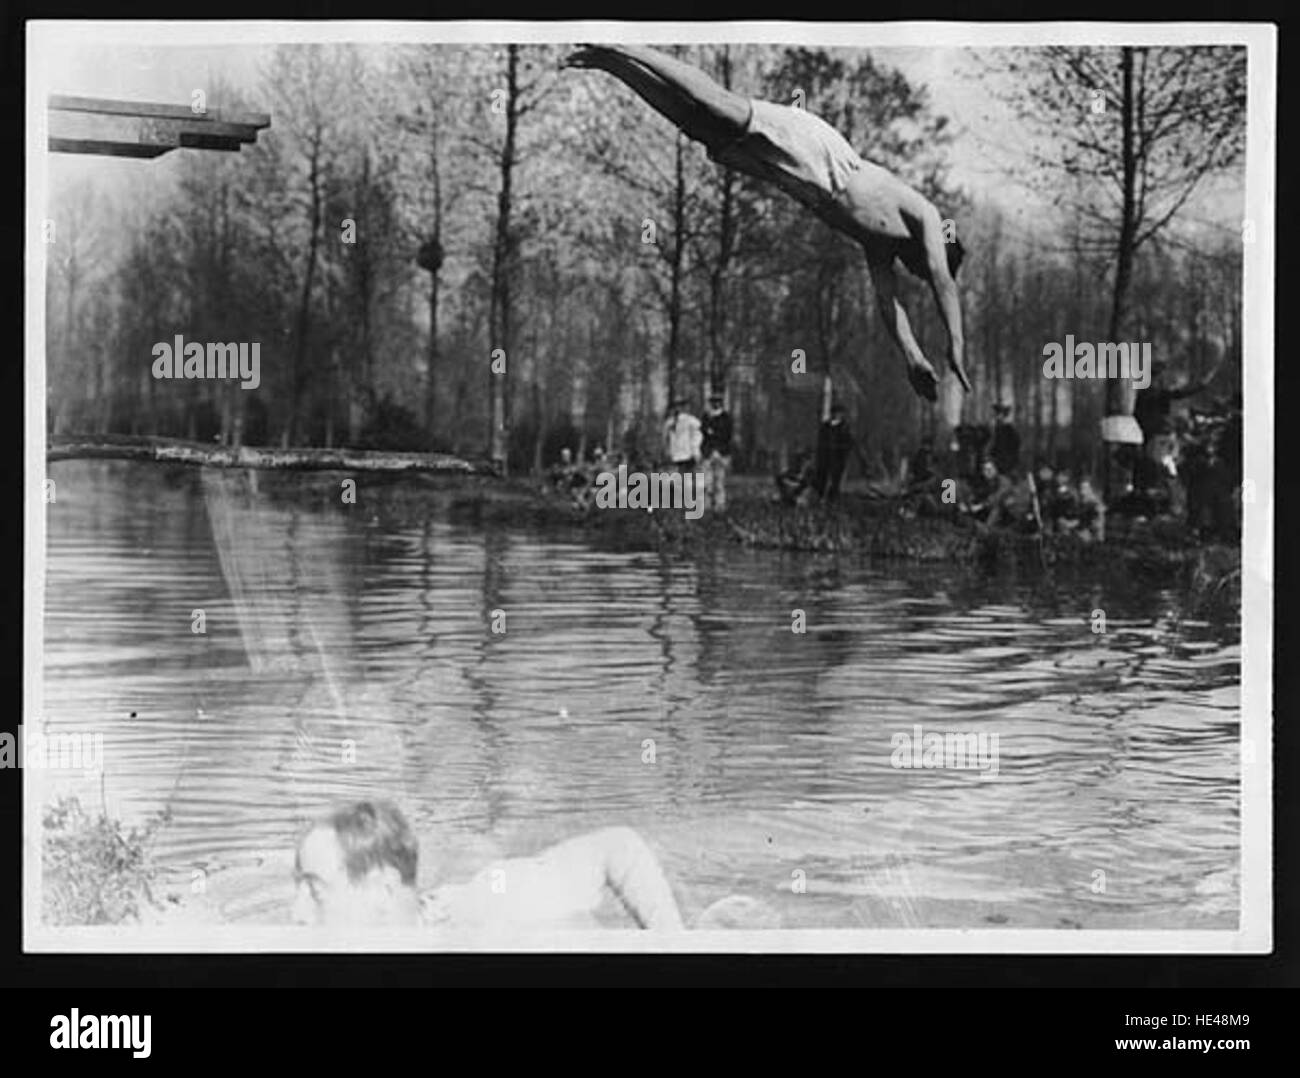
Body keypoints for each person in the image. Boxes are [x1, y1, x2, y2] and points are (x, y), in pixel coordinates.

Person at [565, 44, 972, 403]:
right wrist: (956, 344)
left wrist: (913, 357)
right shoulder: (927, 216)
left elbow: (889, 304)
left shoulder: (882, 248)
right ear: (929, 252)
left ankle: (612, 65)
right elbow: (943, 280)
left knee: (700, 129)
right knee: (718, 104)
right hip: (824, 157)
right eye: (920, 268)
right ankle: (628, 48)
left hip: (805, 185)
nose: (918, 273)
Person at [292, 800, 685, 931]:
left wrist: (679, 950)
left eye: (314, 890)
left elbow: (617, 847)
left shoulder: (500, 904)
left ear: (383, 889)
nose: (297, 915)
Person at [812, 403, 857, 503]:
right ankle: (820, 495)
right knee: (822, 476)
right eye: (835, 413)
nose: (837, 415)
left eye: (839, 413)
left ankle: (832, 498)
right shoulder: (825, 426)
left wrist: (843, 452)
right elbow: (820, 440)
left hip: (838, 457)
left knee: (836, 478)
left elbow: (849, 442)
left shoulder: (844, 427)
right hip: (825, 456)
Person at [700, 391, 733, 512]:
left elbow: (727, 435)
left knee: (719, 481)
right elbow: (704, 432)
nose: (716, 404)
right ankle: (706, 505)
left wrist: (713, 433)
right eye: (713, 402)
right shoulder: (706, 416)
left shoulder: (726, 417)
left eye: (718, 402)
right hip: (708, 452)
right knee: (707, 482)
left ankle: (720, 505)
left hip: (721, 452)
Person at [663, 399, 702, 471]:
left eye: (681, 405)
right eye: (677, 406)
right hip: (677, 456)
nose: (679, 408)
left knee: (685, 478)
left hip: (687, 456)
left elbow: (697, 437)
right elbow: (666, 438)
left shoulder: (691, 420)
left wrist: (696, 452)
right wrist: (667, 451)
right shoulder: (670, 422)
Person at [990, 403, 1020, 477]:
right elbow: (996, 443)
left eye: (999, 414)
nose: (997, 417)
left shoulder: (1009, 429)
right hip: (998, 461)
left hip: (1006, 462)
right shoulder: (997, 428)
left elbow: (1016, 443)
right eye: (996, 415)